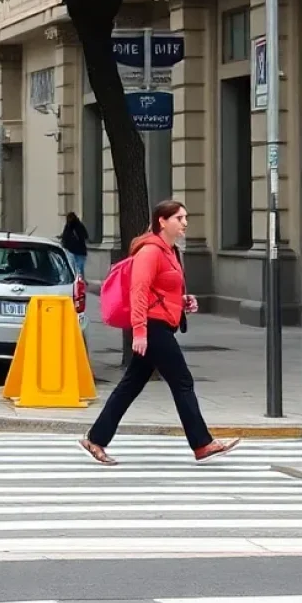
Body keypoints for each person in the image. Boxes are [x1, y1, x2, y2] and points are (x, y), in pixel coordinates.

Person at [78, 199, 239, 465]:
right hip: (152, 328)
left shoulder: (170, 250)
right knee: (182, 382)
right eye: (179, 218)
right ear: (162, 221)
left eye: (185, 217)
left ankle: (95, 439)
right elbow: (138, 291)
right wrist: (139, 332)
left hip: (161, 324)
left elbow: (161, 289)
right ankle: (202, 444)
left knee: (130, 385)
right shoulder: (150, 251)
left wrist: (183, 300)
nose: (185, 222)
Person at [61, 212, 89, 277]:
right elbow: (85, 236)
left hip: (74, 250)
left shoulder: (73, 226)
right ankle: (79, 280)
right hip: (77, 251)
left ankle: (79, 280)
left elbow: (65, 237)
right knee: (78, 268)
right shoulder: (74, 226)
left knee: (75, 268)